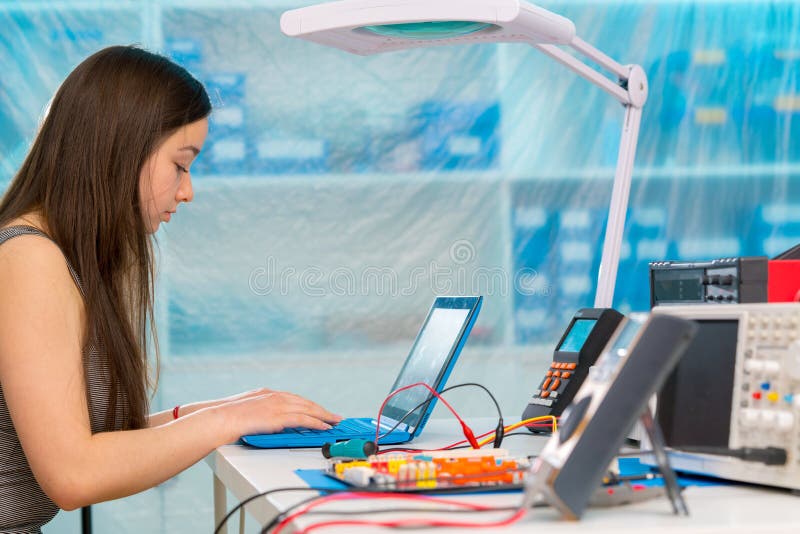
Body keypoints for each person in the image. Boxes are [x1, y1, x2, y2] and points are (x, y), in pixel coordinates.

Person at [0, 45, 341, 532]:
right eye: (181, 165)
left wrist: (225, 410)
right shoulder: (28, 258)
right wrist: (224, 423)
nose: (188, 190)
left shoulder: (52, 254)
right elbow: (73, 473)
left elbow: (92, 440)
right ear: (120, 149)